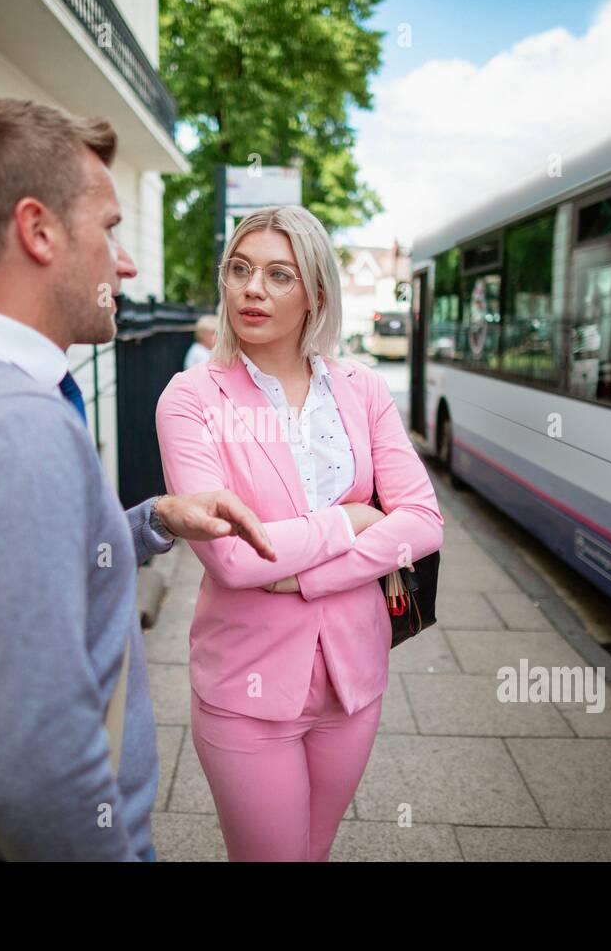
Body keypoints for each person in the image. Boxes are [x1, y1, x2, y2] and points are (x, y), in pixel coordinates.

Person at [0, 98, 276, 861]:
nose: (125, 262)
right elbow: (36, 770)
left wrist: (148, 519)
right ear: (38, 231)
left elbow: (11, 570)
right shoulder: (12, 429)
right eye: (111, 229)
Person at [155, 205, 444, 861]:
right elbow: (229, 556)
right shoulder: (191, 398)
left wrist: (300, 572)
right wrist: (348, 520)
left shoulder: (362, 390)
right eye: (240, 269)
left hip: (354, 678)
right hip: (247, 688)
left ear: (315, 292)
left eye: (279, 274)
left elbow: (422, 521)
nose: (252, 288)